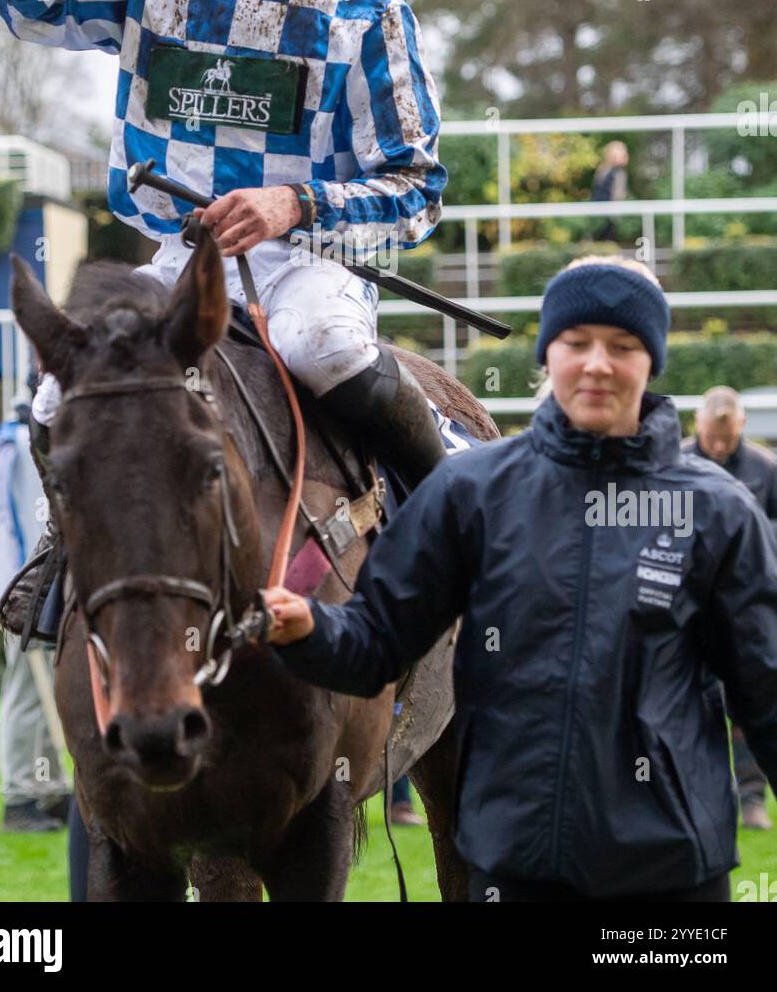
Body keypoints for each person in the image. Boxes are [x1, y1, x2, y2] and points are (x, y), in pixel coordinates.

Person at [0, 0, 461, 640]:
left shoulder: (367, 6)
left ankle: (464, 528)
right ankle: (66, 561)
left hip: (312, 261)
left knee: (321, 345)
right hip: (182, 259)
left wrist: (296, 204)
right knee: (56, 397)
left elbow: (419, 188)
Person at [264, 256, 777, 902]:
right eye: (576, 342)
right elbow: (378, 641)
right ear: (548, 354)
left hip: (671, 881)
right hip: (514, 871)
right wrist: (311, 630)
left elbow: (768, 693)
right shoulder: (470, 492)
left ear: (652, 362)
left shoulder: (718, 511)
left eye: (622, 346)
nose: (597, 363)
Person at [0, 387, 71, 831]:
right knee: (29, 695)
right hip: (27, 596)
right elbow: (36, 530)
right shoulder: (20, 450)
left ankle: (48, 790)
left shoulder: (13, 445)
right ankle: (20, 797)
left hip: (27, 593)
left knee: (45, 690)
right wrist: (31, 601)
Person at [682, 385, 777, 831]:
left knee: (752, 695)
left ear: (740, 426)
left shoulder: (765, 468)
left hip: (745, 606)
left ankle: (752, 798)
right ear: (697, 424)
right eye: (711, 438)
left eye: (728, 439)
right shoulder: (674, 464)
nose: (719, 448)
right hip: (685, 608)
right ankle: (695, 799)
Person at [590, 140, 628, 242]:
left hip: (609, 214)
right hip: (598, 211)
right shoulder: (603, 170)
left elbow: (618, 195)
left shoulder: (618, 173)